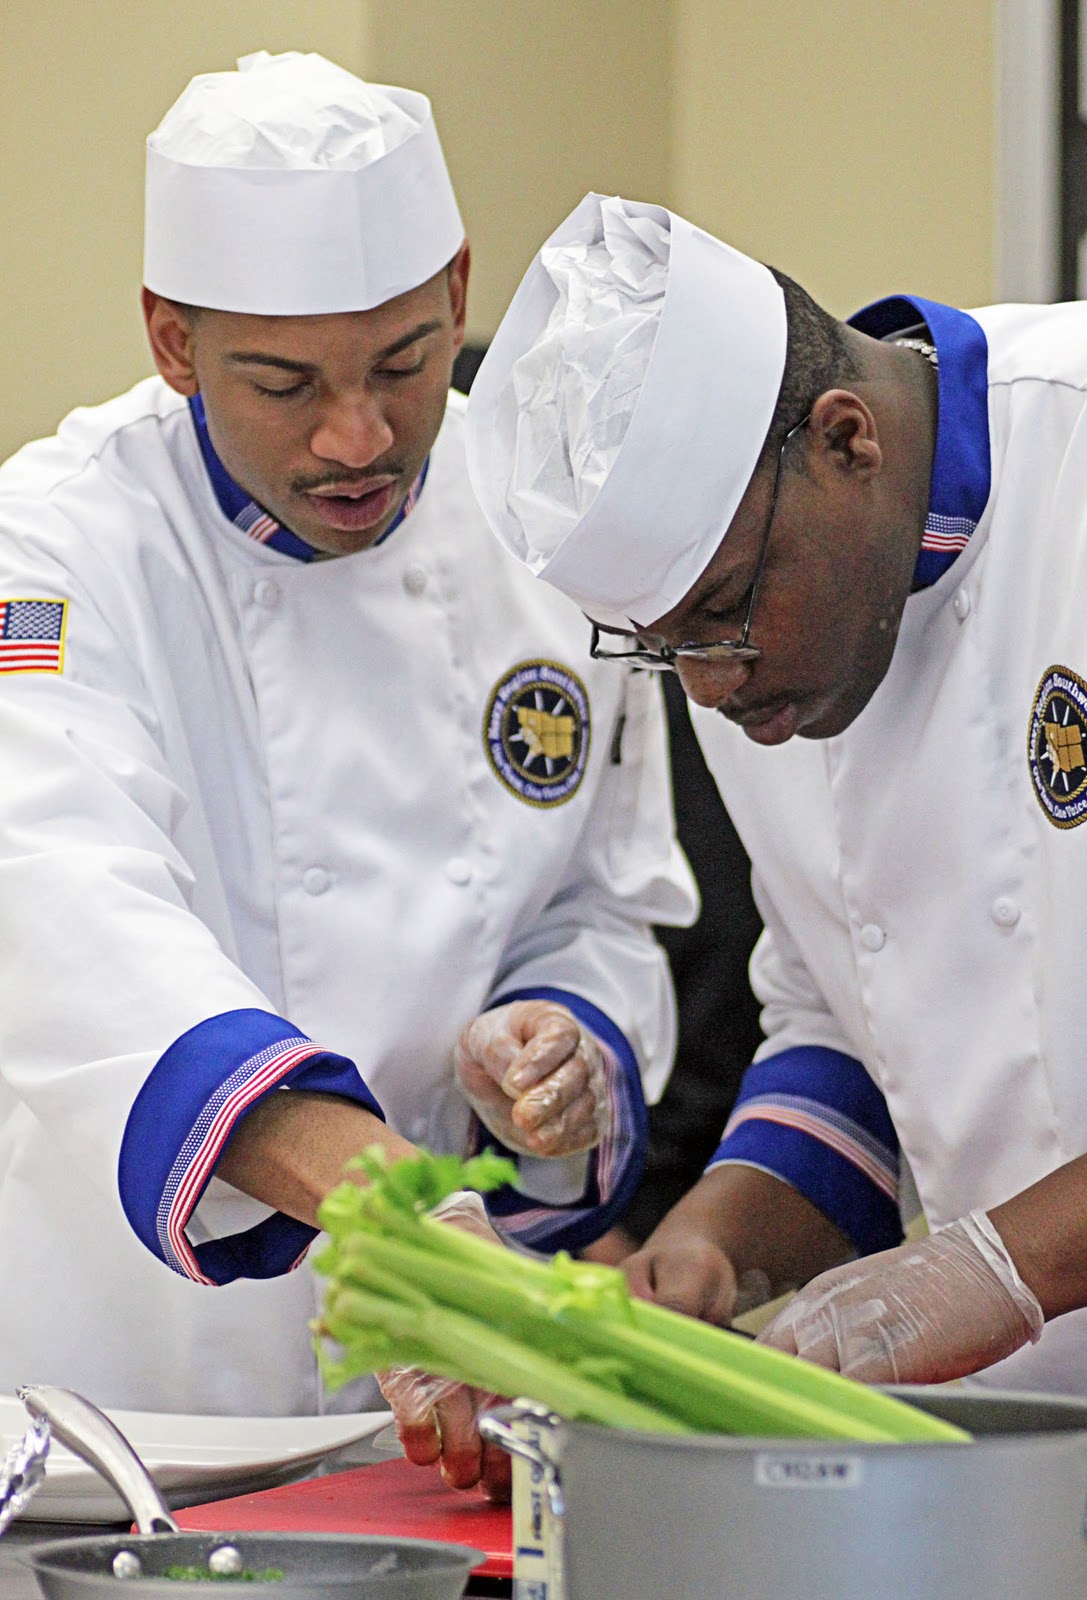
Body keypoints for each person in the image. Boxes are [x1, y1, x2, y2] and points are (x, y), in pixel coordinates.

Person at [0, 65, 695, 1484]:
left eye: (404, 362)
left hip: (440, 1390)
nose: (358, 441)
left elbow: (608, 904)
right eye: (286, 385)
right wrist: (385, 1201)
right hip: (126, 1395)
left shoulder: (548, 529)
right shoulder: (55, 554)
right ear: (173, 340)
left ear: (458, 288)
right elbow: (55, 908)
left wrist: (558, 1043)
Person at [464, 190, 1087, 1403]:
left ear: (845, 440)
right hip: (1035, 1447)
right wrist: (715, 1239)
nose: (709, 688)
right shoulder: (771, 659)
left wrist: (997, 1265)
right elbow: (849, 1020)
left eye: (721, 614)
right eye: (664, 652)